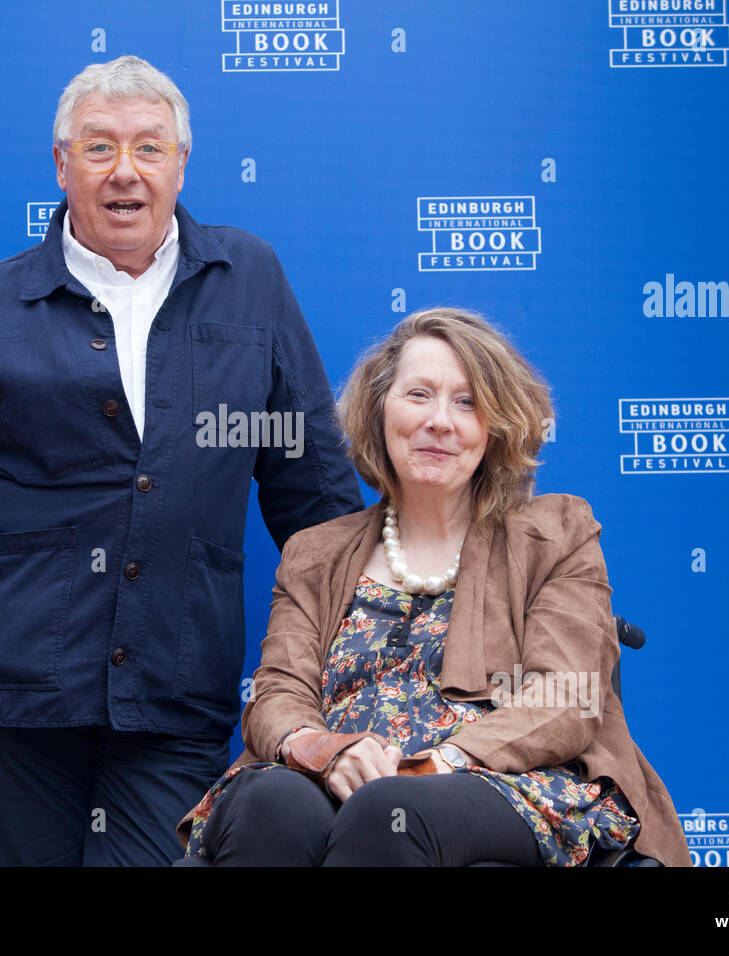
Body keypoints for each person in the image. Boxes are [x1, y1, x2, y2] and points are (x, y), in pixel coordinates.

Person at [0, 55, 364, 866]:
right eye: (100, 148)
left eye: (149, 148)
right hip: (17, 688)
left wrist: (366, 649)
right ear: (62, 163)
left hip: (177, 683)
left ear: (181, 162)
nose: (126, 170)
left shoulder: (249, 280)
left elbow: (315, 487)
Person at [179, 307, 691, 866]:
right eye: (419, 395)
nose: (441, 421)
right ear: (379, 414)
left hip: (496, 780)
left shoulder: (554, 532)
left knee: (391, 813)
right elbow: (278, 692)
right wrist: (323, 750)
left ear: (496, 427)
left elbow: (564, 696)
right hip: (331, 778)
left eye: (467, 402)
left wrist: (434, 764)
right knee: (272, 802)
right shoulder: (314, 553)